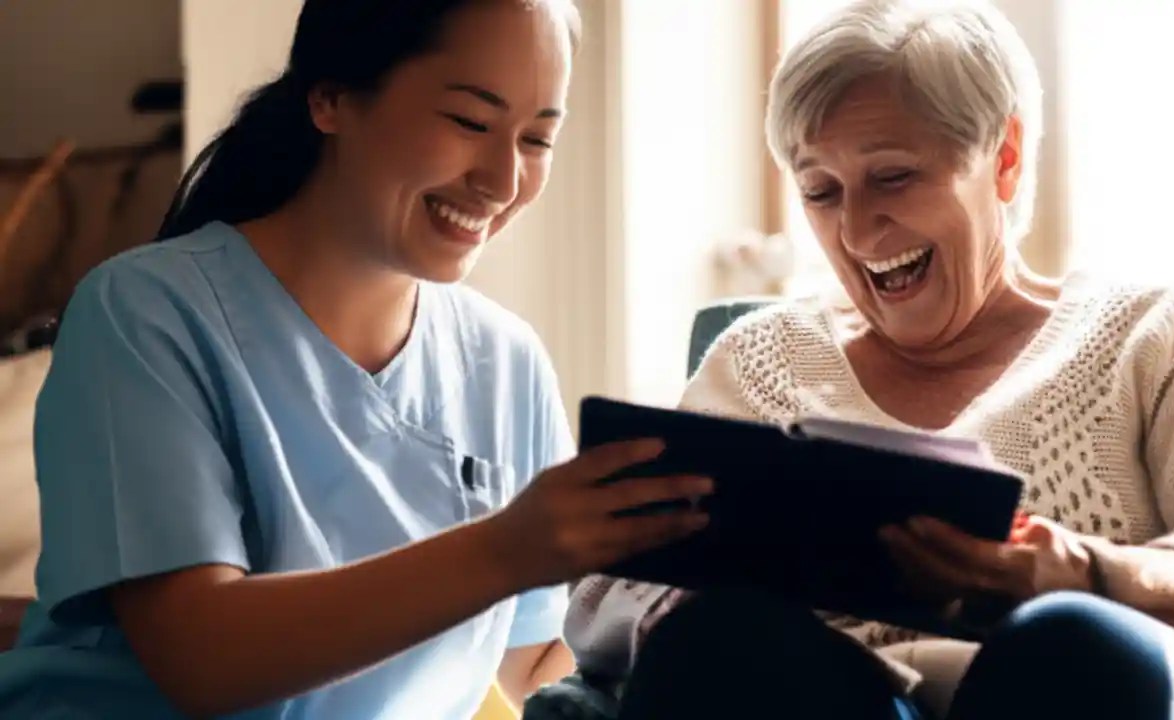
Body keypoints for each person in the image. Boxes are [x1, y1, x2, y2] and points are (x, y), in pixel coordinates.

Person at [561, 1, 1174, 718]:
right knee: (720, 642)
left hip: (1102, 687)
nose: (856, 228)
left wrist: (1089, 573)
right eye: (820, 191)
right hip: (845, 702)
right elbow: (604, 608)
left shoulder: (1151, 333)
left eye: (894, 177)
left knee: (1074, 639)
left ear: (1003, 159)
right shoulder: (759, 363)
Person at [0, 1, 714, 718]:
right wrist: (507, 550)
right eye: (470, 122)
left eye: (536, 139)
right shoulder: (144, 312)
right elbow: (201, 656)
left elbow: (529, 661)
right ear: (332, 97)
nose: (502, 182)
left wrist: (677, 596)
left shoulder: (507, 363)